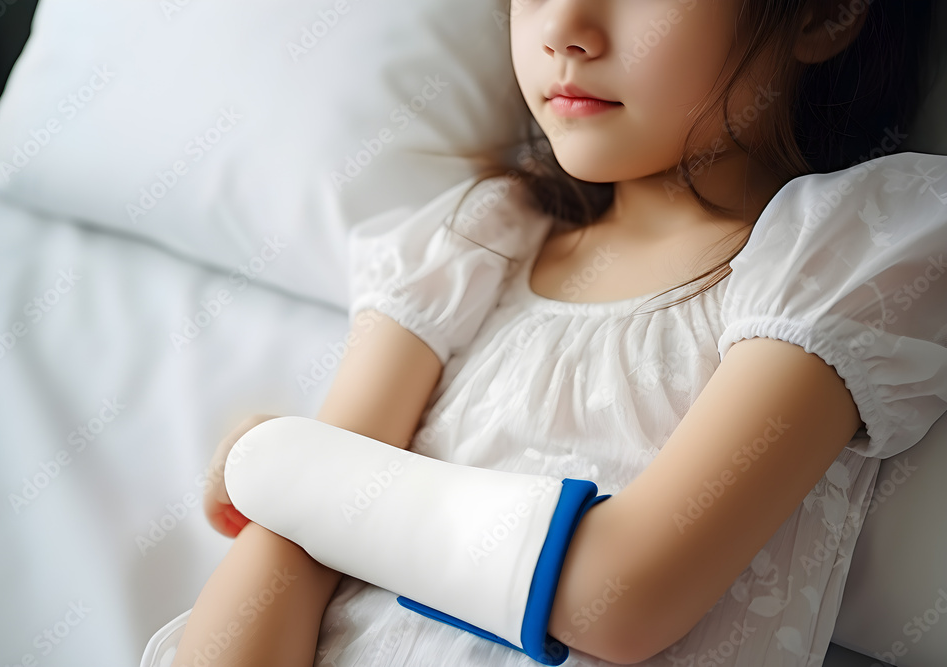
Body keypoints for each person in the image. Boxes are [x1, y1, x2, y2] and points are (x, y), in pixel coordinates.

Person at [146, 1, 947, 665]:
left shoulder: (842, 250)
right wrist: (297, 474)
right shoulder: (470, 248)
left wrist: (280, 463)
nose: (565, 26)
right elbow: (277, 565)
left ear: (827, 13)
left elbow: (622, 591)